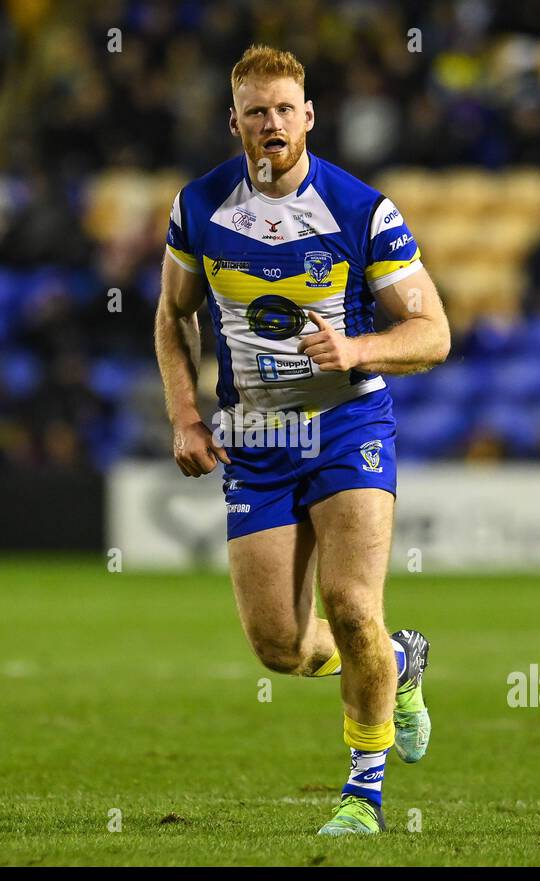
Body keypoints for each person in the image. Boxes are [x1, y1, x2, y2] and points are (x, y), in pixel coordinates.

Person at [152, 45, 451, 835]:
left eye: (285, 109)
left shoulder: (361, 211)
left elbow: (433, 333)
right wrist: (185, 414)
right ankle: (399, 661)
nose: (272, 124)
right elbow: (173, 313)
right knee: (281, 649)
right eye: (256, 111)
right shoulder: (199, 206)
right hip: (253, 435)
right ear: (236, 122)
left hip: (347, 424)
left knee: (351, 604)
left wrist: (358, 350)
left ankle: (363, 796)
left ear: (309, 116)